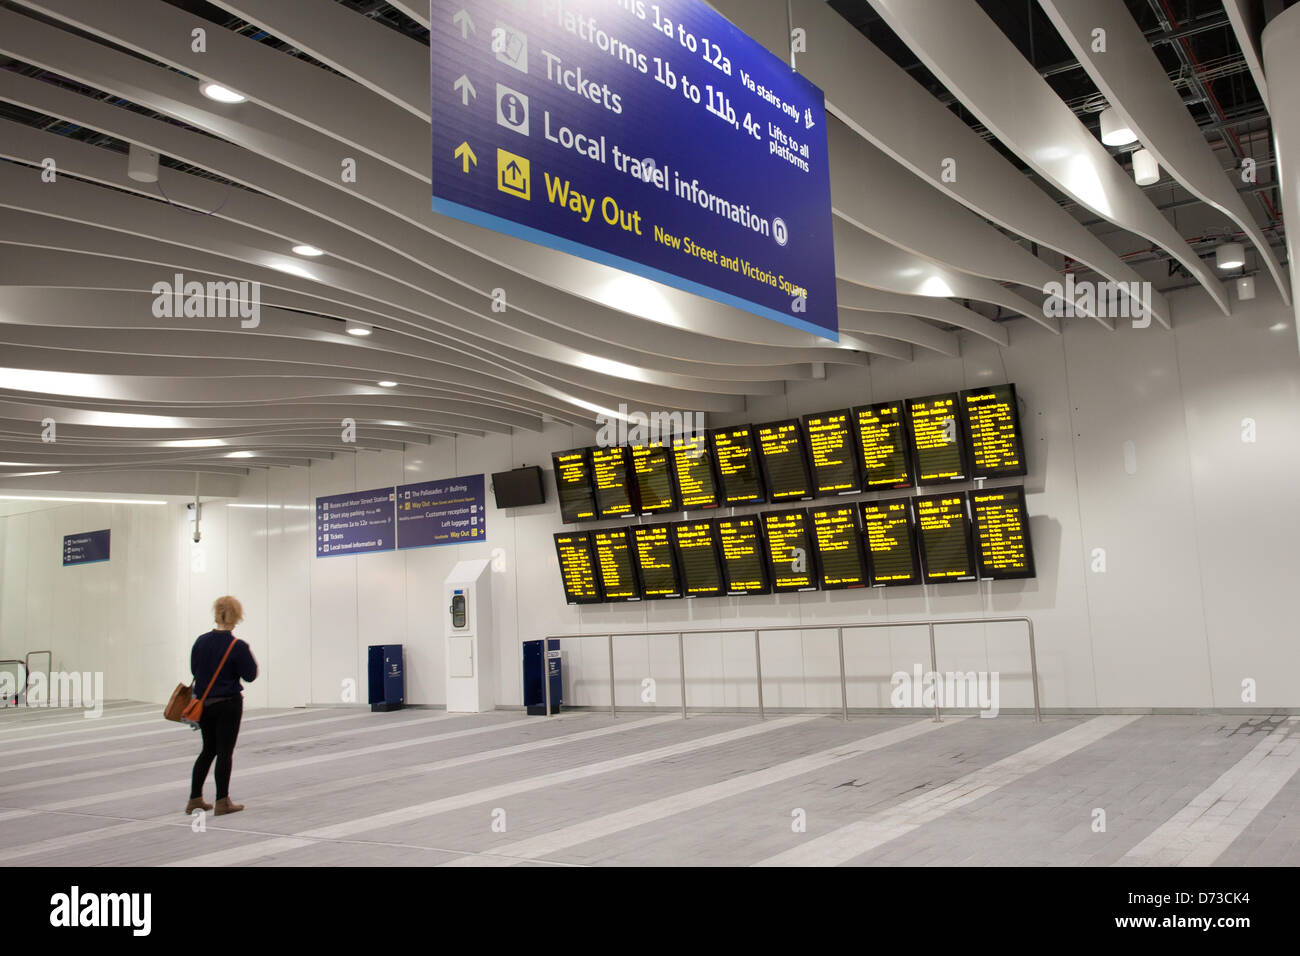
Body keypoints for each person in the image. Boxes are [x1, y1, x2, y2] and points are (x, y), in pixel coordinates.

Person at [186, 596, 258, 816]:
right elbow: (250, 675)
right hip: (228, 704)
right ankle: (222, 801)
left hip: (204, 704)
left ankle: (195, 799)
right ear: (237, 616)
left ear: (216, 613)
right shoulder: (237, 646)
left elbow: (194, 671)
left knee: (208, 750)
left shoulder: (200, 641)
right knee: (225, 752)